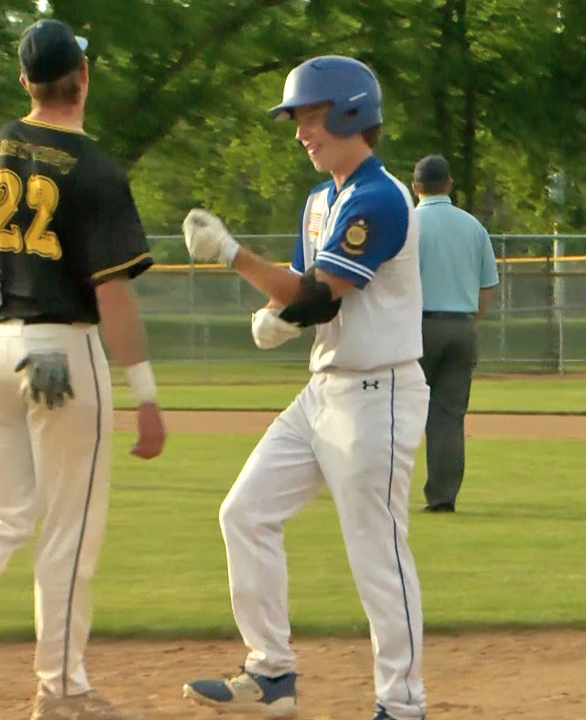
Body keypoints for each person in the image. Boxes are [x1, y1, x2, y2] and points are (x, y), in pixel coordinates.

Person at [0, 18, 166, 720]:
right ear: (83, 78)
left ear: (25, 81)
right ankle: (62, 690)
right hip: (64, 351)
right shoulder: (98, 169)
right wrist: (144, 394)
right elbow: (113, 293)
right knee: (69, 525)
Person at [180, 56, 430, 720]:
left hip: (380, 393)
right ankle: (271, 676)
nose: (300, 133)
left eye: (310, 116)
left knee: (377, 553)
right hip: (326, 391)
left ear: (350, 112)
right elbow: (311, 301)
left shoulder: (378, 196)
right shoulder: (322, 200)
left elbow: (320, 290)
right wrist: (283, 319)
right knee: (245, 512)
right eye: (298, 119)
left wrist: (234, 255)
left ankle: (401, 705)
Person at [412, 154, 499, 513]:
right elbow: (487, 286)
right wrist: (467, 321)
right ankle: (443, 496)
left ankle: (378, 492)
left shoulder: (408, 225)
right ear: (449, 184)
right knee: (447, 415)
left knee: (396, 411)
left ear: (415, 187)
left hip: (414, 327)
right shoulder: (473, 227)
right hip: (461, 326)